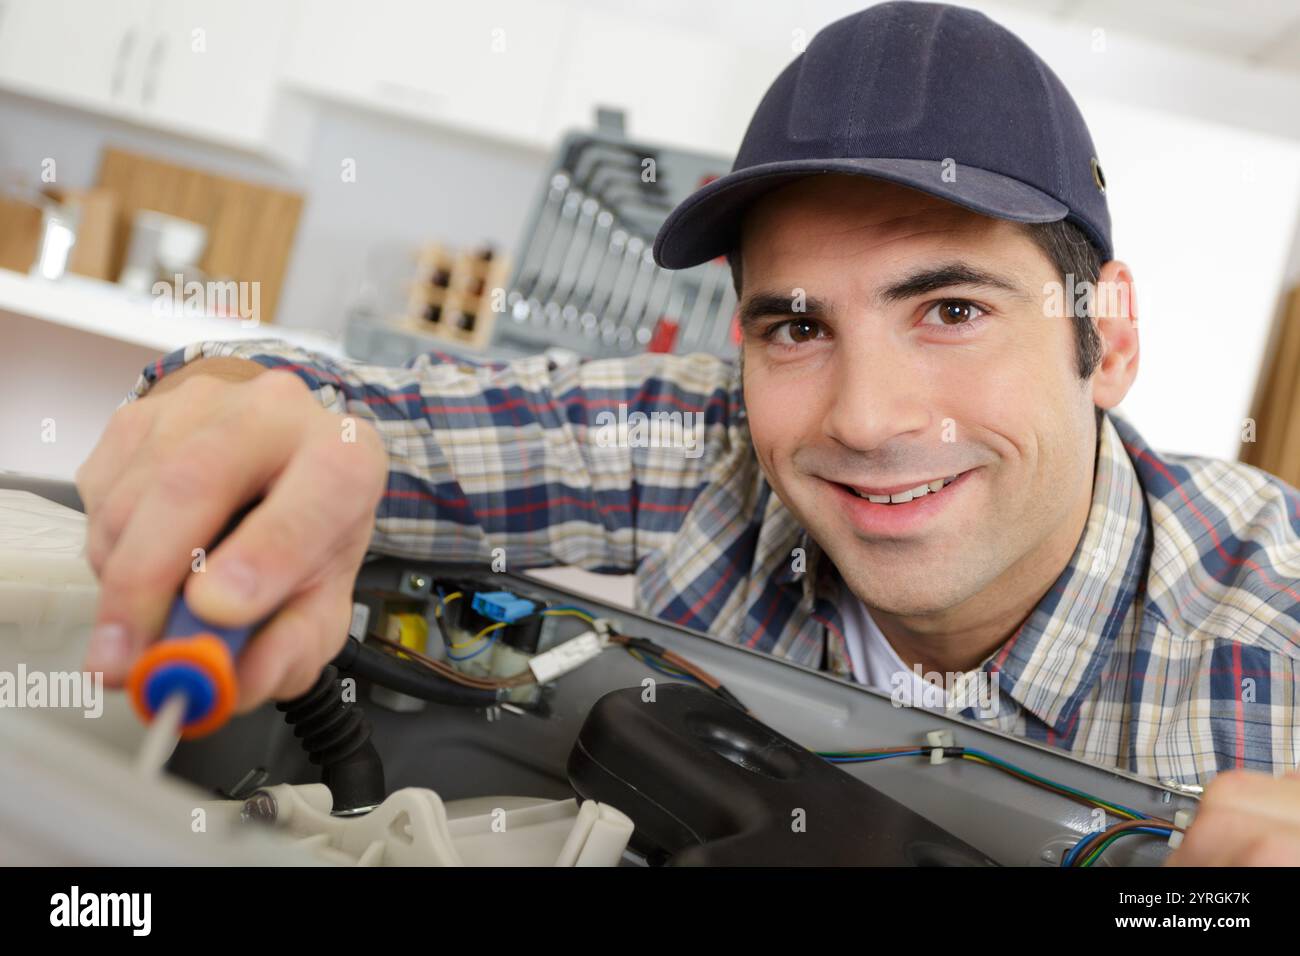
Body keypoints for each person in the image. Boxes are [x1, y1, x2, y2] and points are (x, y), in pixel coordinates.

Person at [76, 2, 1300, 864]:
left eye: (953, 309)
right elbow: (304, 408)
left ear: (1111, 336)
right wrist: (232, 417)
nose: (865, 420)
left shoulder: (1274, 620)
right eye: (796, 327)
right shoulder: (691, 443)